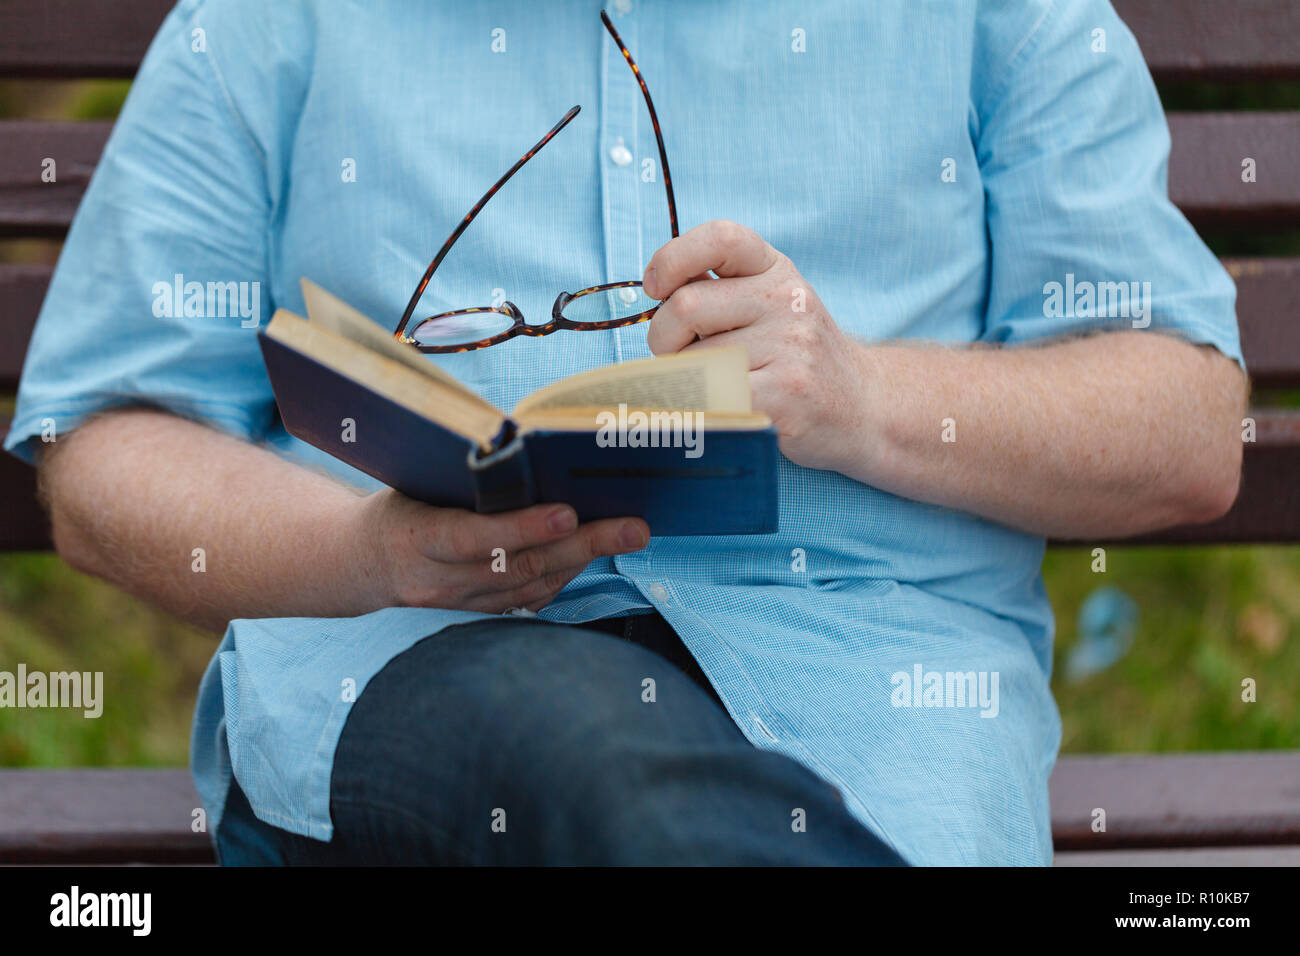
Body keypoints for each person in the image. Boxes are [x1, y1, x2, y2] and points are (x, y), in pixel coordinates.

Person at [6, 0, 1245, 865]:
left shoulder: (991, 11)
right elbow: (109, 443)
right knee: (589, 749)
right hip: (416, 677)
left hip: (878, 719)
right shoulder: (280, 18)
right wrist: (367, 552)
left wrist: (866, 399)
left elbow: (1186, 429)